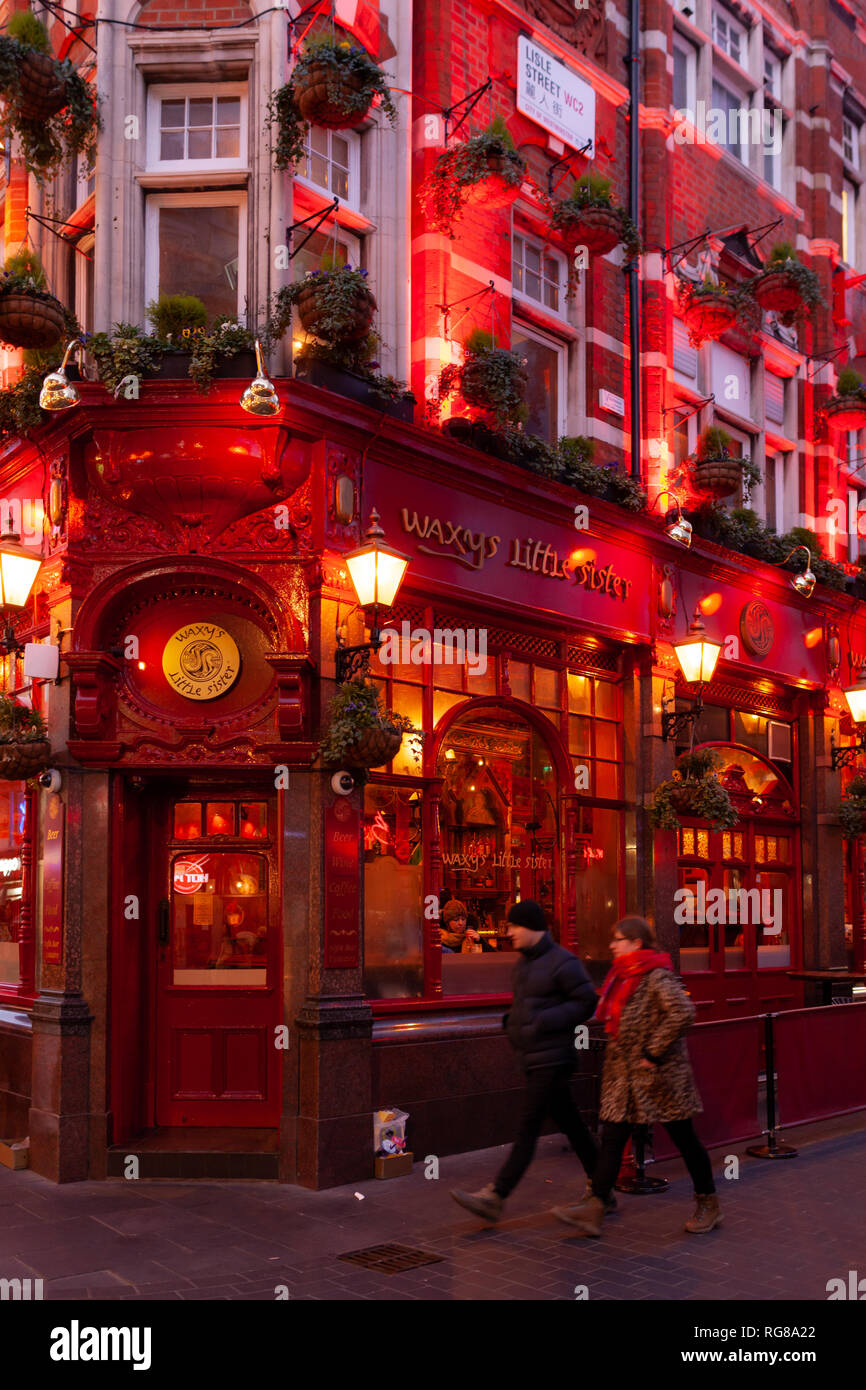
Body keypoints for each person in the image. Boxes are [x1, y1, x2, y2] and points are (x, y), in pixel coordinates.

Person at [552, 915, 721, 1237]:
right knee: (613, 1139)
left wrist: (652, 1053)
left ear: (637, 943)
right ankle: (596, 1204)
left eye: (618, 939)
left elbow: (683, 1013)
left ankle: (708, 1203)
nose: (612, 945)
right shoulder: (621, 976)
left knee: (685, 1138)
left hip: (660, 1076)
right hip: (624, 1077)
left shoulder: (656, 976)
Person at [449, 899, 601, 1223]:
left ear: (532, 928)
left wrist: (545, 1022)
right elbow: (526, 1004)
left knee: (528, 1126)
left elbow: (587, 1001)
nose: (510, 932)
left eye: (515, 926)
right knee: (573, 1124)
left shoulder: (563, 961)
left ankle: (496, 1195)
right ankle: (604, 1189)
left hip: (553, 1056)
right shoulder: (524, 963)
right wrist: (512, 1024)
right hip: (534, 1054)